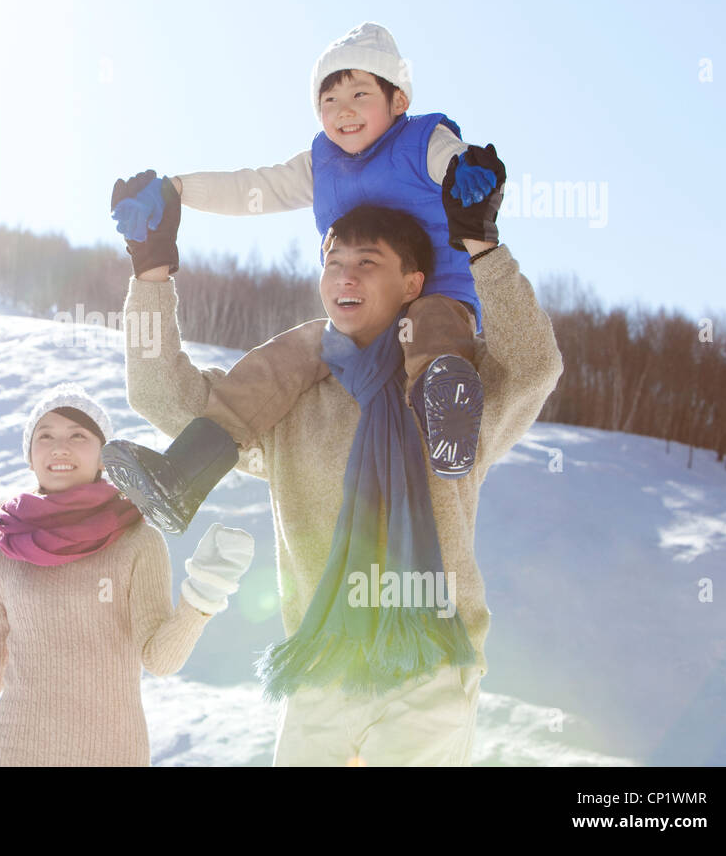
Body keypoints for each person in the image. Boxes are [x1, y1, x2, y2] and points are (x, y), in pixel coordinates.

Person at [116, 194, 562, 765]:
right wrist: (150, 272)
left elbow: (533, 365)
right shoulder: (286, 401)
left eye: (368, 262)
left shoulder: (452, 400)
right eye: (333, 262)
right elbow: (160, 394)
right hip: (321, 670)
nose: (344, 276)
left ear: (411, 284)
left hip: (428, 669)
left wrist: (484, 248)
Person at [104, 22, 507, 533]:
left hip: (435, 295)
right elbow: (256, 187)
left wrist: (470, 171)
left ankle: (443, 419)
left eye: (361, 93)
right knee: (291, 352)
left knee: (430, 323)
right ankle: (184, 473)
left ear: (398, 100)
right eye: (329, 98)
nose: (344, 109)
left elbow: (457, 165)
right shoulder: (323, 163)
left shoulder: (424, 141)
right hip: (357, 324)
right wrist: (177, 189)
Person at [0, 382, 255, 766]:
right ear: (30, 454)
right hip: (18, 754)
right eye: (46, 436)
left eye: (78, 435)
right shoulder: (4, 546)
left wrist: (204, 592)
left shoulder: (136, 540)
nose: (61, 447)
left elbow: (158, 658)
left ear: (104, 457)